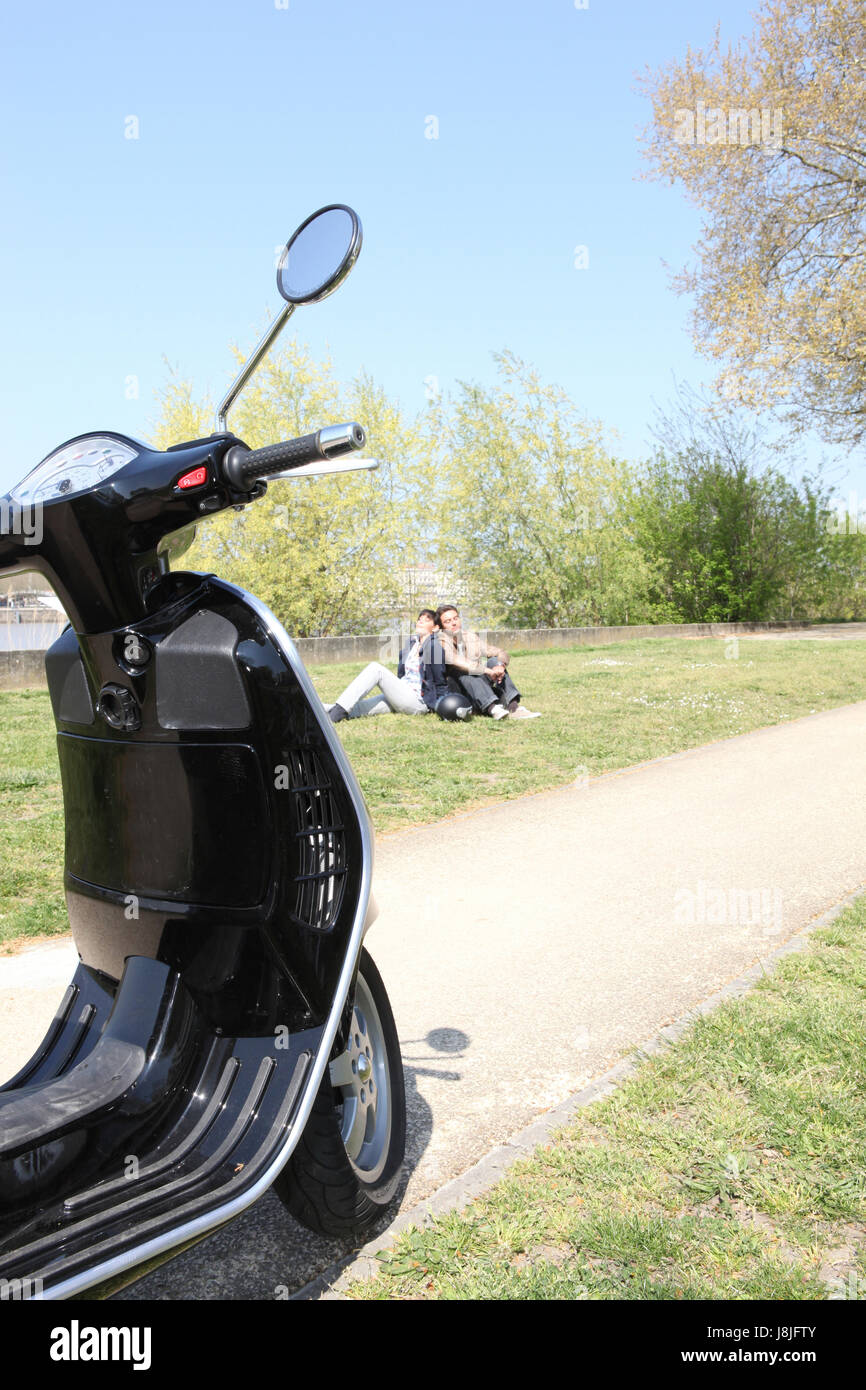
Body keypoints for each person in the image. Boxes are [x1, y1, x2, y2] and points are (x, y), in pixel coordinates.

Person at [326, 609, 456, 721]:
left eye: (426, 620)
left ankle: (335, 714)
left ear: (435, 627)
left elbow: (440, 681)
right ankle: (322, 711)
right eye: (419, 619)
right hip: (402, 694)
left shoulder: (435, 646)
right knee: (360, 707)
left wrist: (440, 706)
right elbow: (402, 673)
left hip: (417, 702)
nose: (420, 621)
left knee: (376, 669)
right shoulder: (412, 643)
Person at [435, 604, 541, 719]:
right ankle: (492, 708)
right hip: (459, 692)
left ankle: (514, 707)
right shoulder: (441, 641)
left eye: (455, 618)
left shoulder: (469, 636)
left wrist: (500, 666)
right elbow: (459, 662)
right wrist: (487, 671)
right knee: (466, 672)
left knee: (494, 661)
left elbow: (499, 652)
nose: (453, 623)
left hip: (479, 685)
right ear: (442, 627)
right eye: (448, 621)